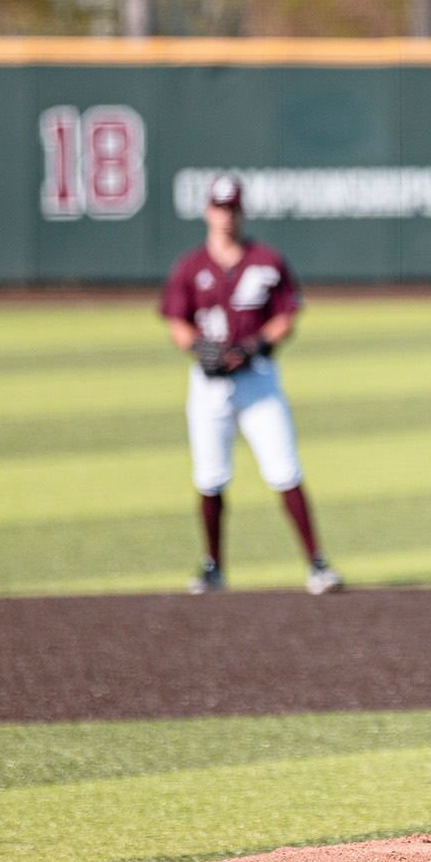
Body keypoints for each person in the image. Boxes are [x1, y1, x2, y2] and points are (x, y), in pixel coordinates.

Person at [160, 173, 342, 597]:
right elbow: (175, 323)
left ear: (242, 212)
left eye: (233, 208)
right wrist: (200, 348)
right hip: (208, 387)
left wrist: (256, 343)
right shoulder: (190, 266)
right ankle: (213, 567)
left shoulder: (266, 260)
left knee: (285, 469)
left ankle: (316, 562)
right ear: (208, 211)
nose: (226, 216)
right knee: (210, 477)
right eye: (220, 208)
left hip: (257, 379)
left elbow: (287, 314)